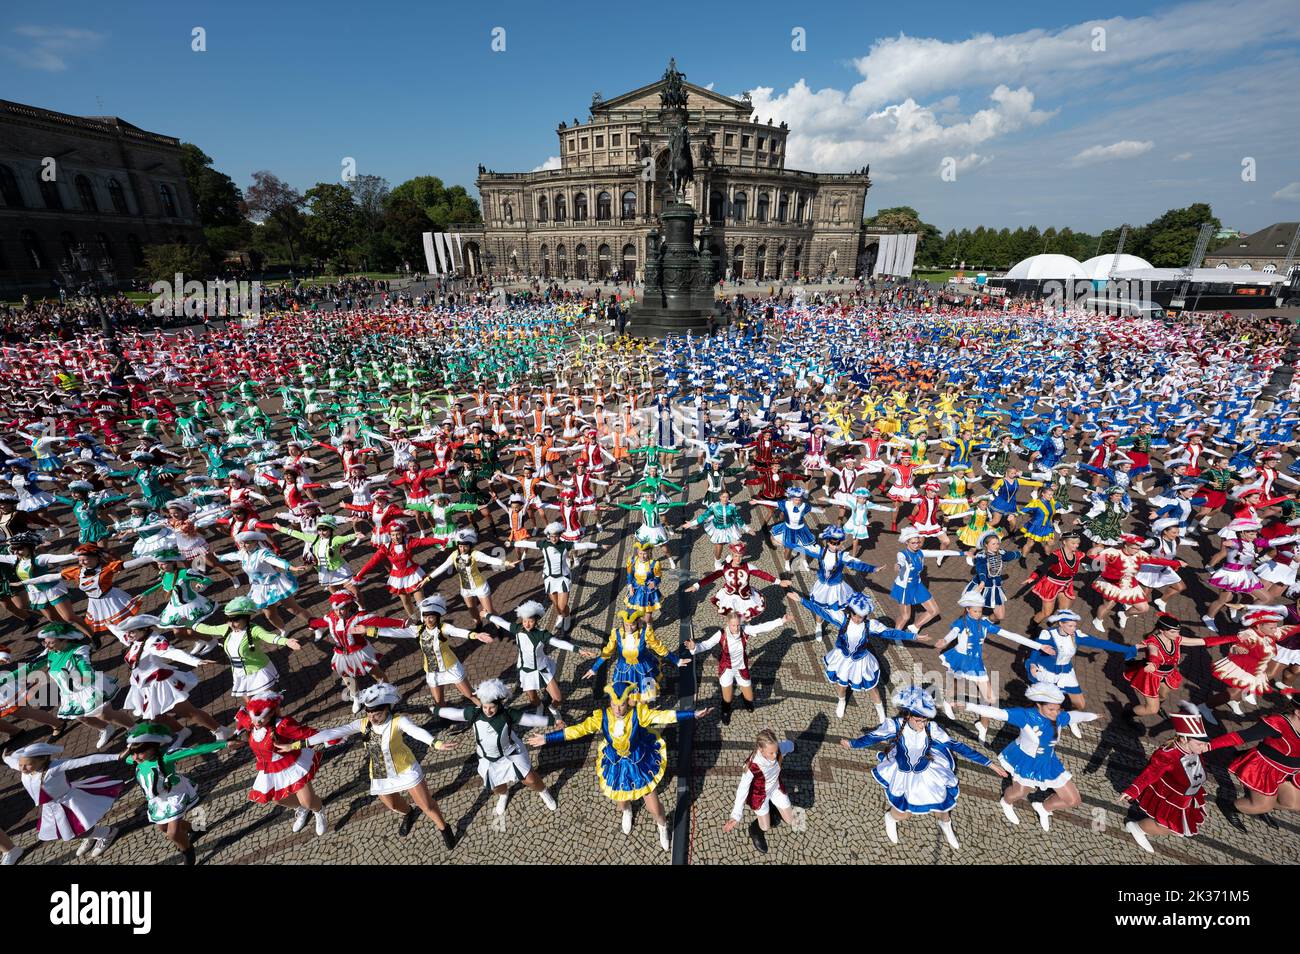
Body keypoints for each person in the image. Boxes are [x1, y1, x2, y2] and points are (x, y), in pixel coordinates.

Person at [527, 682, 711, 850]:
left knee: (654, 808)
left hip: (639, 764)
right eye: (614, 704)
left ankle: (662, 826)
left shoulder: (639, 714)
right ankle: (628, 811)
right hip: (616, 766)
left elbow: (665, 715)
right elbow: (578, 730)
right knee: (621, 803)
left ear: (628, 702)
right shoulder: (602, 717)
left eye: (621, 705)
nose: (617, 709)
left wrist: (692, 714)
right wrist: (547, 738)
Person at [841, 685, 1006, 850]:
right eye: (920, 720)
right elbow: (872, 737)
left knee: (942, 804)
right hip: (903, 773)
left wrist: (989, 763)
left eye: (926, 719)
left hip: (928, 771)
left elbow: (959, 747)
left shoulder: (931, 728)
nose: (923, 723)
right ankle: (890, 819)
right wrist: (852, 744)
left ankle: (945, 824)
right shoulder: (895, 725)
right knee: (904, 812)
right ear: (909, 715)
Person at [306, 682, 459, 849]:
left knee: (427, 805)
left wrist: (435, 743)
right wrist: (299, 744)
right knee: (393, 805)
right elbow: (332, 732)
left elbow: (415, 731)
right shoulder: (363, 724)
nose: (371, 717)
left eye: (376, 713)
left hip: (406, 769)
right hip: (380, 773)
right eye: (368, 712)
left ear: (387, 708)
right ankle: (409, 813)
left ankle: (445, 829)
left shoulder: (399, 721)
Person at [960, 681, 1099, 830]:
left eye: (1058, 709)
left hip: (1048, 762)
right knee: (1018, 793)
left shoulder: (1058, 716)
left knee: (1073, 800)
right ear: (1039, 705)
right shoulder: (1025, 715)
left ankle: (1043, 808)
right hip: (1026, 760)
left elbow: (1074, 716)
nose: (1055, 713)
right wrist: (968, 706)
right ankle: (1006, 802)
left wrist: (1092, 716)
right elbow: (998, 713)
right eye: (1051, 709)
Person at [436, 678, 558, 816]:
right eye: (485, 707)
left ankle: (544, 792)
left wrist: (554, 721)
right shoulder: (474, 713)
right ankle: (504, 795)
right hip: (488, 759)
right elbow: (453, 713)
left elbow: (530, 720)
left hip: (510, 754)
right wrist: (434, 710)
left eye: (491, 707)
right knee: (496, 786)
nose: (488, 711)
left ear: (499, 704)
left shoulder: (508, 714)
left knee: (530, 779)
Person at [121, 721, 229, 865]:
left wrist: (224, 744)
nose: (135, 758)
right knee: (163, 827)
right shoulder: (134, 759)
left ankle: (188, 854)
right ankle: (197, 829)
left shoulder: (166, 757)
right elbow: (124, 757)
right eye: (133, 753)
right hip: (158, 800)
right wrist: (130, 748)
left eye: (139, 753)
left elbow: (195, 750)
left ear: (153, 748)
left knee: (173, 833)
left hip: (173, 794)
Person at [1, 741, 124, 859]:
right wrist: (5, 757)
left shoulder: (54, 768)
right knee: (73, 829)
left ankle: (106, 833)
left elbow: (86, 760)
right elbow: (12, 762)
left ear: (42, 760)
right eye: (21, 764)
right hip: (51, 807)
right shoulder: (25, 767)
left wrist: (117, 756)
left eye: (27, 764)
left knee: (70, 833)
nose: (22, 768)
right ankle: (92, 836)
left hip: (68, 802)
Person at [1117, 703, 1213, 852]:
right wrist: (1133, 789)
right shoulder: (1168, 755)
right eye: (1200, 744)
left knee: (1174, 825)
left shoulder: (1194, 747)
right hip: (1170, 797)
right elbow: (1151, 772)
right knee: (1169, 826)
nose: (1205, 748)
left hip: (1187, 795)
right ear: (1183, 740)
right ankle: (1137, 828)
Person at [232, 690, 328, 836]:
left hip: (291, 764)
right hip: (271, 769)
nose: (257, 723)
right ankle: (301, 809)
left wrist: (331, 737)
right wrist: (232, 741)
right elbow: (240, 722)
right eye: (254, 719)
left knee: (308, 801)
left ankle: (319, 811)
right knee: (278, 800)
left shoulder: (281, 726)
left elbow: (306, 733)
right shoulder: (252, 724)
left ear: (271, 714)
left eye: (261, 719)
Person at [724, 727, 797, 854]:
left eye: (776, 751)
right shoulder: (752, 766)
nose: (775, 756)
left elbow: (787, 746)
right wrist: (736, 815)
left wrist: (793, 746)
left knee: (791, 820)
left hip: (775, 788)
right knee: (766, 826)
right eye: (771, 753)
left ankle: (773, 808)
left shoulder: (777, 749)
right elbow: (742, 790)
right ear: (760, 749)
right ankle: (755, 830)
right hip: (760, 796)